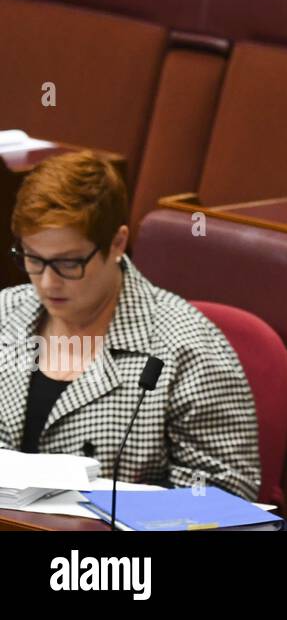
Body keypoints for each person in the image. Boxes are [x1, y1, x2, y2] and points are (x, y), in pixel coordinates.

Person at [0, 151, 260, 500]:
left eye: (69, 263)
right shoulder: (6, 313)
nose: (46, 283)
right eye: (32, 258)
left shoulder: (187, 347)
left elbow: (226, 498)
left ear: (117, 243)